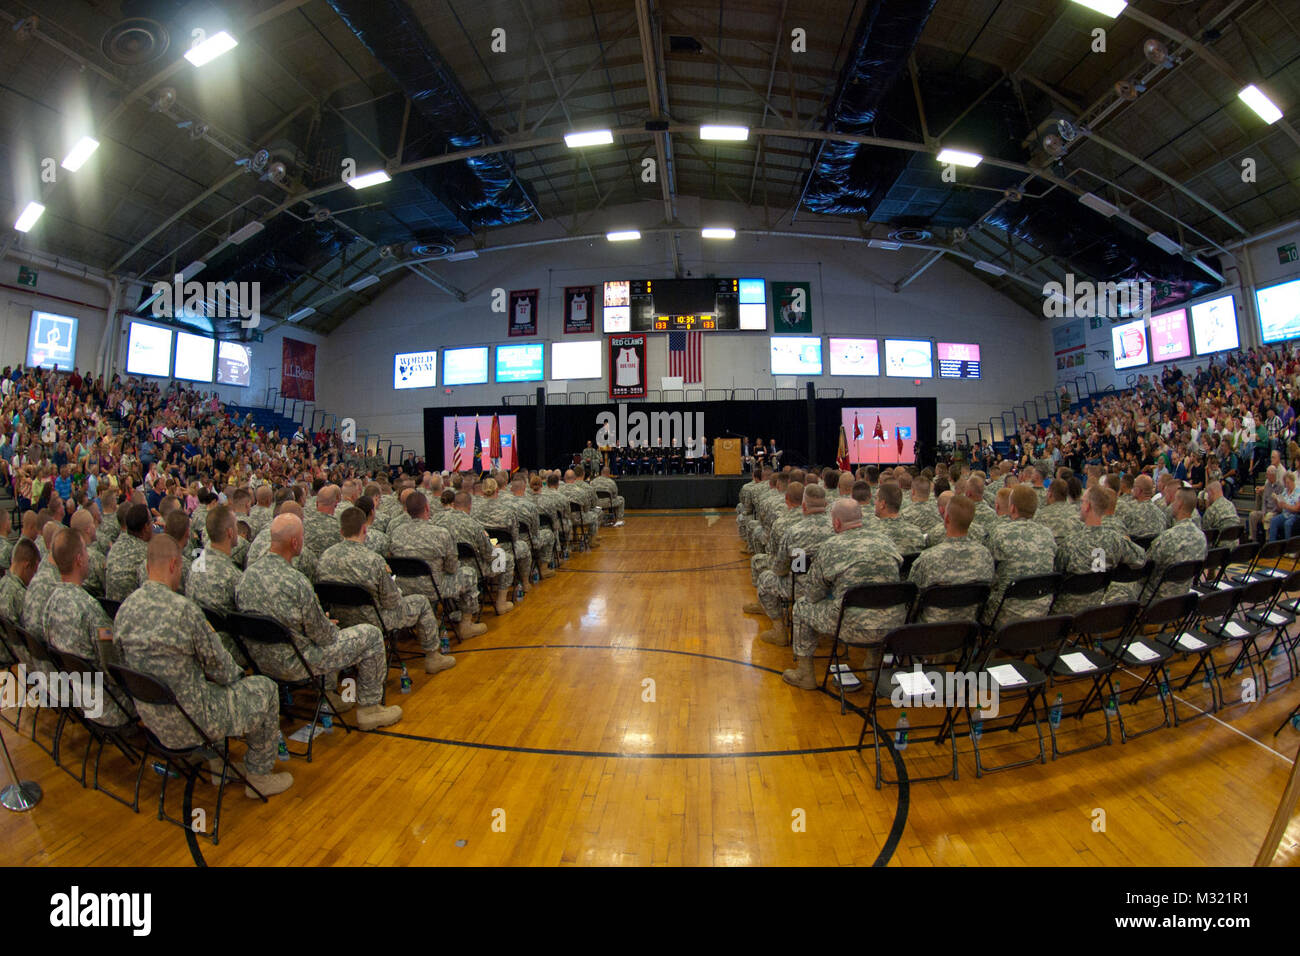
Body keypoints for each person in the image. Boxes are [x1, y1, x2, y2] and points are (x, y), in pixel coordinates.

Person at [116, 535, 292, 798]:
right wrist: (239, 676)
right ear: (175, 564)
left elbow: (121, 664)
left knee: (204, 685)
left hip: (152, 720)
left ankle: (220, 768)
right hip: (193, 721)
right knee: (265, 689)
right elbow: (223, 669)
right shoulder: (184, 611)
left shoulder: (124, 610)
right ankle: (259, 777)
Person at [235, 514, 403, 731]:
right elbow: (324, 637)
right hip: (296, 662)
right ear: (295, 542)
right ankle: (369, 709)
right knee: (370, 635)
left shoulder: (245, 577)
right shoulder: (295, 581)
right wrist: (326, 623)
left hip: (260, 661)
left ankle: (331, 695)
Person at [318, 506, 457, 675]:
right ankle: (433, 657)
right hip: (375, 619)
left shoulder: (325, 558)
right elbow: (391, 601)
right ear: (364, 529)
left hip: (341, 619)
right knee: (421, 602)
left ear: (341, 531)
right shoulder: (373, 560)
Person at [785, 498, 903, 690]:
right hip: (893, 627)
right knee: (877, 598)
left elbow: (813, 594)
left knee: (801, 608)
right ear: (861, 517)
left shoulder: (831, 547)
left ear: (837, 522)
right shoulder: (886, 541)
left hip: (850, 626)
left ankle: (805, 674)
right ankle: (872, 665)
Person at [43, 527, 135, 727]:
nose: (88, 556)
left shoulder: (50, 603)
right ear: (79, 559)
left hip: (76, 696)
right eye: (85, 551)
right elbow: (113, 666)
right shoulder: (89, 608)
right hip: (109, 705)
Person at [753, 485, 833, 646]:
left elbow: (779, 569)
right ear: (826, 505)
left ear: (804, 506)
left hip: (803, 587)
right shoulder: (837, 526)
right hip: (834, 588)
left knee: (764, 579)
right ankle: (826, 634)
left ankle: (779, 631)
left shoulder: (793, 531)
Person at [907, 495, 994, 623]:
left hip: (929, 633)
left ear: (946, 518)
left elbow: (911, 601)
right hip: (967, 630)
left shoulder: (928, 558)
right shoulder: (985, 556)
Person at [985, 486, 1057, 627]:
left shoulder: (1000, 534)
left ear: (1012, 508)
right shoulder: (1047, 534)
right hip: (1041, 612)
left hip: (1004, 616)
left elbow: (988, 574)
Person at [1143, 488, 1209, 603]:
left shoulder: (1168, 537)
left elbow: (1145, 566)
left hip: (1158, 599)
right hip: (1184, 597)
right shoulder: (1202, 537)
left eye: (1174, 501)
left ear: (1179, 504)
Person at [105, 503, 152, 602]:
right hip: (134, 608)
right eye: (151, 522)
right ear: (145, 528)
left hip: (113, 609)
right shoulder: (146, 553)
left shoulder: (115, 546)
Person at [1270, 471, 1300, 541]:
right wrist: (1276, 500)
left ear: (1293, 481)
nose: (1286, 485)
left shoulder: (1298, 492)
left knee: (1287, 524)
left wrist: (1286, 506)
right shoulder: (1285, 491)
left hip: (1294, 515)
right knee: (1273, 520)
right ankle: (1272, 545)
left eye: (1288, 482)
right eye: (1285, 483)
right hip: (1285, 514)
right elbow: (1280, 509)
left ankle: (1288, 547)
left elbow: (1297, 509)